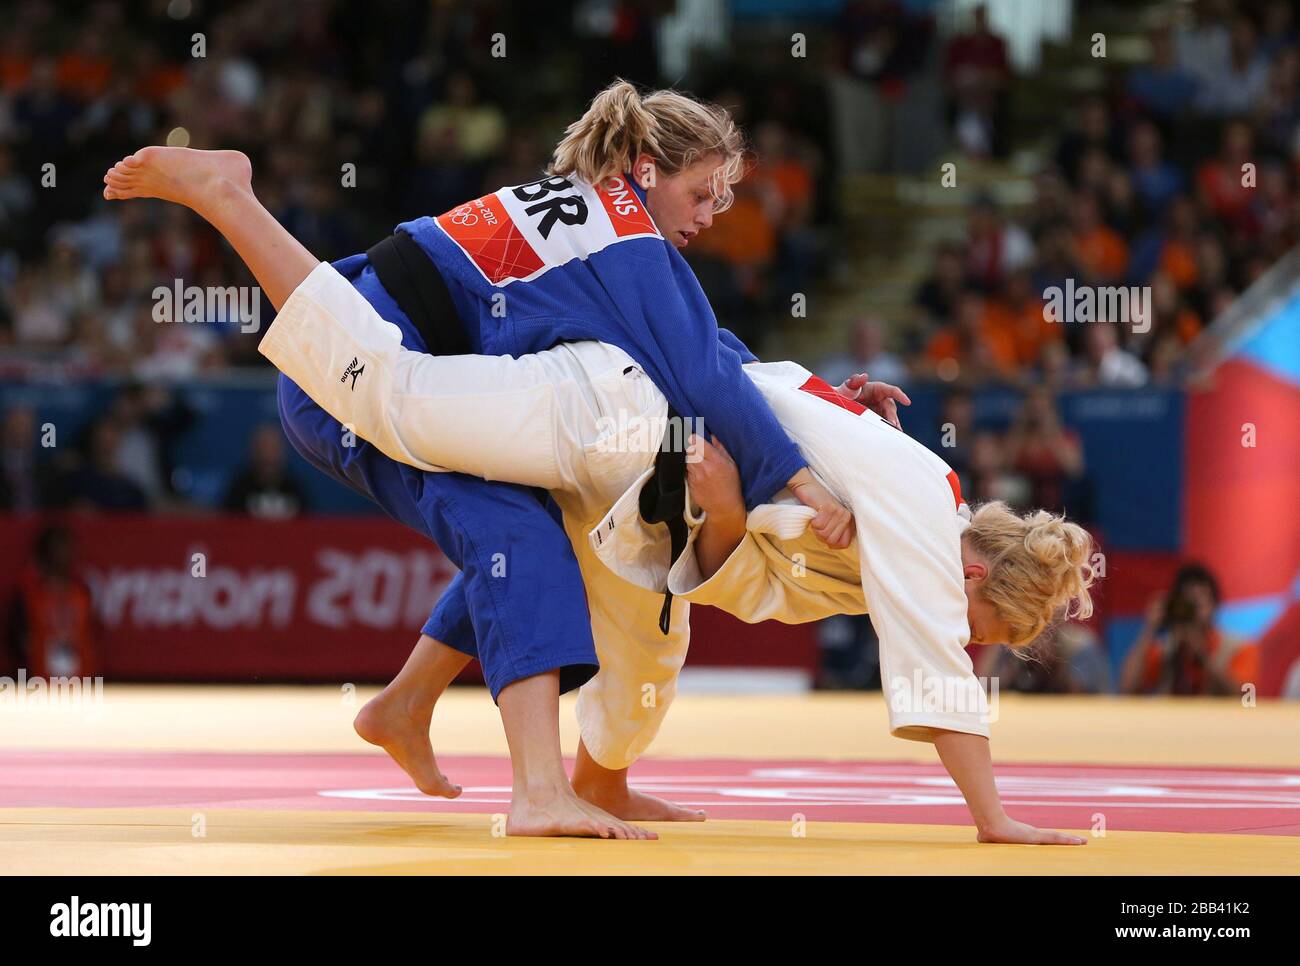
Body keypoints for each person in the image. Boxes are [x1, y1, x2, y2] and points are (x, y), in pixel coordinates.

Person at [102, 80, 853, 840]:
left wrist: (824, 397)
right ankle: (537, 791)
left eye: (720, 202)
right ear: (645, 166)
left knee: (534, 529)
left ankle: (404, 704)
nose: (707, 218)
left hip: (380, 340)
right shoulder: (627, 239)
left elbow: (703, 353)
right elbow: (702, 371)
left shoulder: (597, 213)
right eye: (700, 194)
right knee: (519, 539)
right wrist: (800, 477)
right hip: (345, 373)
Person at [252, 260, 1096, 846]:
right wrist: (993, 814)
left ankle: (426, 713)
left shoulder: (895, 525)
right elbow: (936, 665)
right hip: (627, 418)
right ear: (973, 573)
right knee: (406, 403)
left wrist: (728, 511)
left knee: (614, 611)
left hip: (664, 477)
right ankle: (276, 268)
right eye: (980, 621)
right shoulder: (921, 509)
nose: (967, 635)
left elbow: (748, 581)